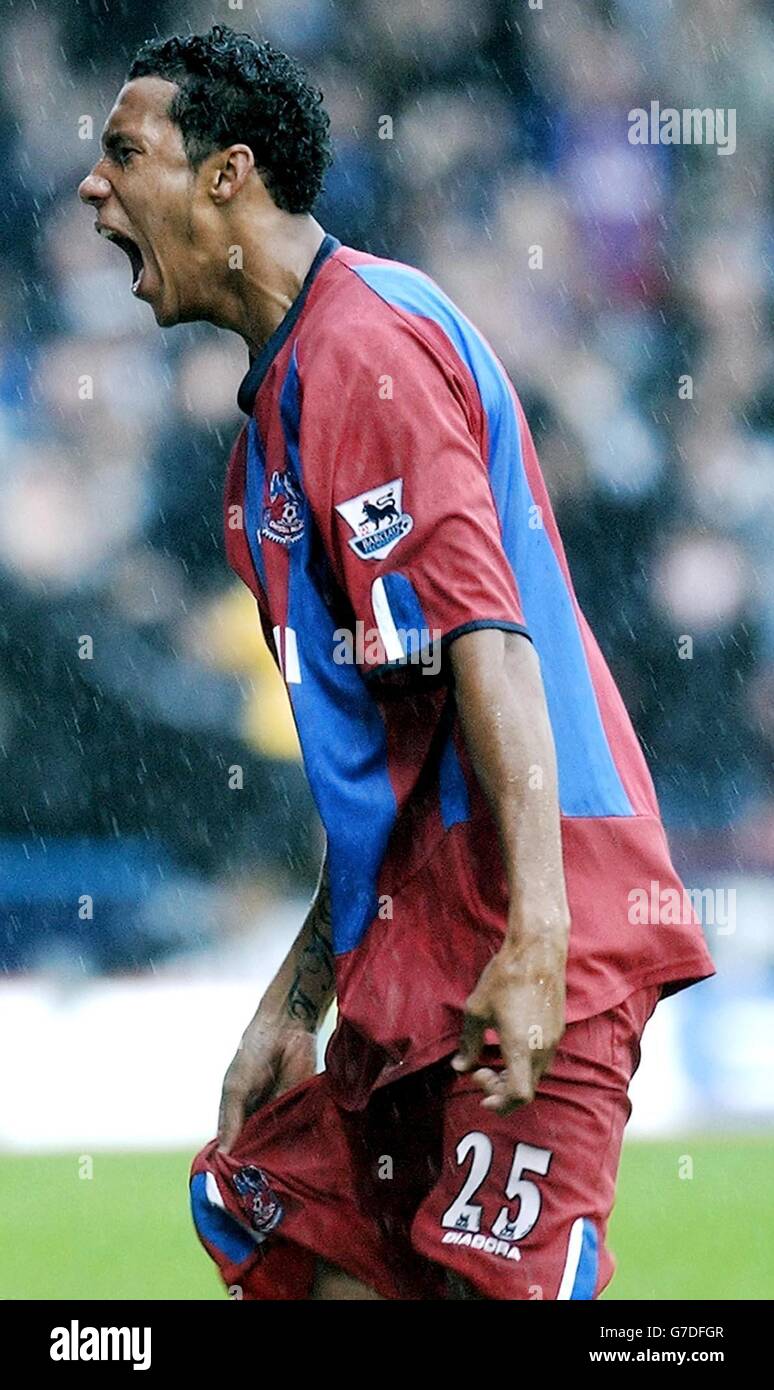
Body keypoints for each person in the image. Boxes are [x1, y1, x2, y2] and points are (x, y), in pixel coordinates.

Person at [78, 24, 715, 1300]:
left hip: (529, 931)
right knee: (294, 1237)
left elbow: (494, 643)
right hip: (418, 949)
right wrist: (298, 993)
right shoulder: (270, 431)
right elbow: (391, 762)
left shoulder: (368, 350)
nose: (95, 188)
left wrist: (540, 939)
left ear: (226, 175)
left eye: (124, 153)